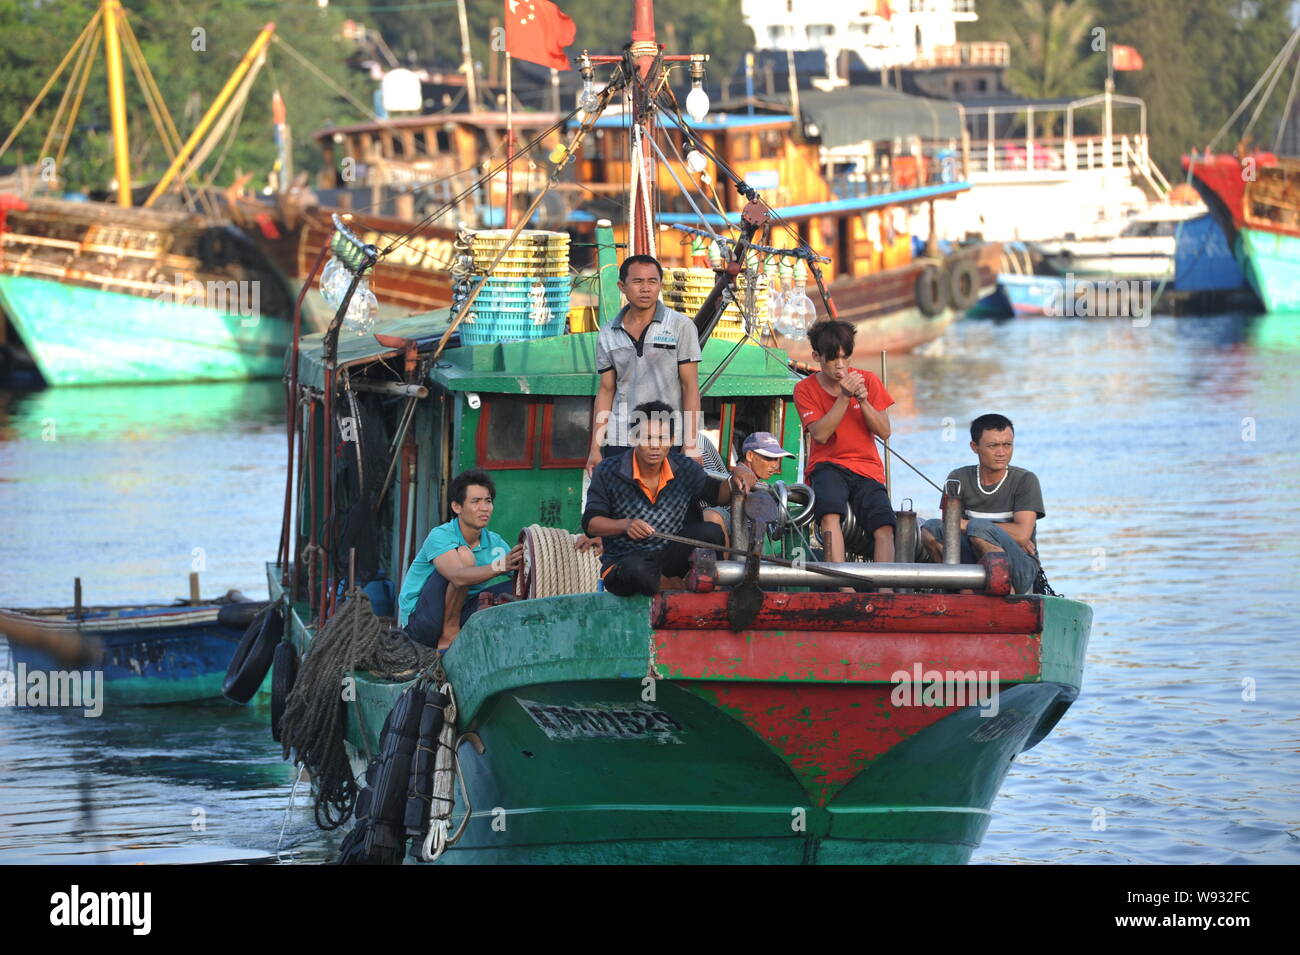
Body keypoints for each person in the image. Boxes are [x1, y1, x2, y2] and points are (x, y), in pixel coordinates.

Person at [582, 400, 756, 596]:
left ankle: (703, 588)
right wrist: (626, 525)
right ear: (633, 439)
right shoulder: (608, 470)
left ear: (672, 440)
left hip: (668, 558)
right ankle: (677, 587)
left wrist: (737, 478)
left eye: (662, 438)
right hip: (624, 562)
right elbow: (591, 524)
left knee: (710, 532)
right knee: (637, 569)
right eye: (647, 438)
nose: (655, 446)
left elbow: (717, 495)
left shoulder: (684, 467)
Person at [792, 320, 896, 572]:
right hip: (828, 466)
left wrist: (864, 400)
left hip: (866, 467)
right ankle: (840, 583)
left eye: (845, 357)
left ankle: (883, 588)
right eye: (832, 359)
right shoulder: (804, 389)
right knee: (830, 514)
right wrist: (844, 397)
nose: (840, 365)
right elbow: (821, 434)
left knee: (884, 525)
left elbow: (884, 431)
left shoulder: (868, 381)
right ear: (817, 356)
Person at [585, 255, 703, 472]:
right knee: (622, 505)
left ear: (660, 284)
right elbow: (606, 390)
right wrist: (595, 447)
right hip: (621, 438)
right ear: (622, 286)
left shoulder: (680, 326)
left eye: (652, 281)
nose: (646, 288)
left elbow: (690, 387)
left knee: (667, 504)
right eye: (638, 282)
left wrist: (691, 443)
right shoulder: (608, 333)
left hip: (667, 438)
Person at [396, 469, 523, 651]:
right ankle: (449, 634)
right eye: (476, 501)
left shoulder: (495, 543)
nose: (484, 508)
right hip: (423, 622)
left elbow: (521, 576)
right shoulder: (440, 535)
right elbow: (457, 576)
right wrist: (501, 565)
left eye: (488, 501)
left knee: (519, 585)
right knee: (464, 557)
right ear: (457, 507)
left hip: (463, 612)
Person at [920, 414, 1043, 594]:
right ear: (974, 447)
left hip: (1020, 569)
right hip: (971, 565)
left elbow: (1022, 535)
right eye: (993, 446)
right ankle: (960, 589)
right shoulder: (957, 478)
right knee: (930, 529)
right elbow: (949, 528)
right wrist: (1004, 533)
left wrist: (970, 526)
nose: (1001, 452)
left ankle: (1006, 593)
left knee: (979, 529)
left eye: (1007, 445)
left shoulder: (1025, 480)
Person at [702, 431, 795, 546]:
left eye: (776, 459)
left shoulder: (761, 486)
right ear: (750, 456)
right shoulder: (733, 480)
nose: (774, 465)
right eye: (769, 458)